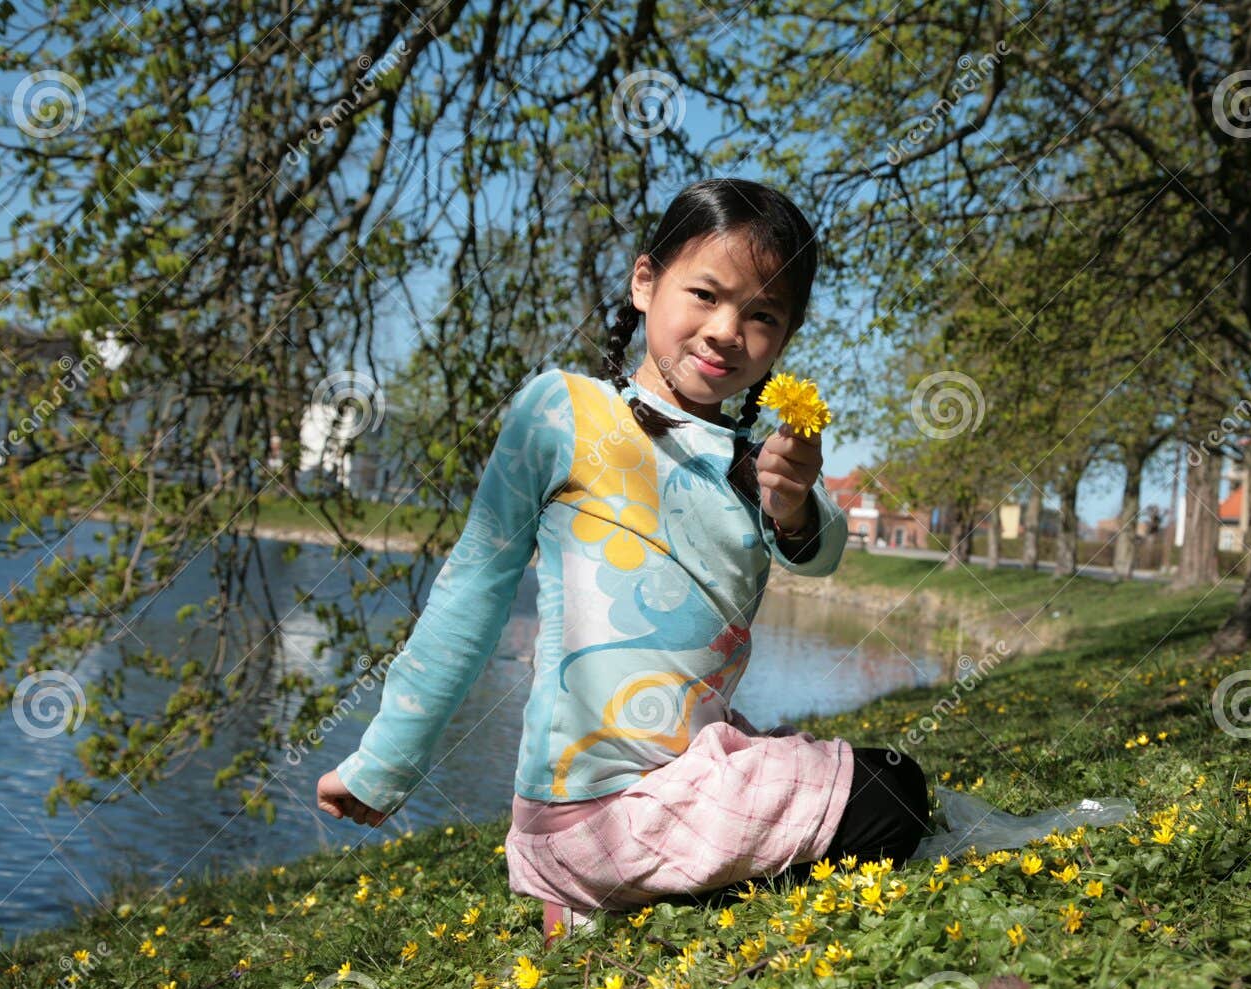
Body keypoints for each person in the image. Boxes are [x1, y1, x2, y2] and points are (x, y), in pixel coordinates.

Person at [315, 178, 933, 945]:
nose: (725, 331)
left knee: (895, 782)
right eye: (705, 294)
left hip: (696, 773)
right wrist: (384, 762)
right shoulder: (564, 411)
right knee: (892, 798)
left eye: (762, 315)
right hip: (589, 811)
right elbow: (470, 592)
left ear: (785, 339)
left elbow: (819, 551)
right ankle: (600, 886)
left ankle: (646, 893)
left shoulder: (750, 466)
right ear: (645, 282)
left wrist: (795, 497)